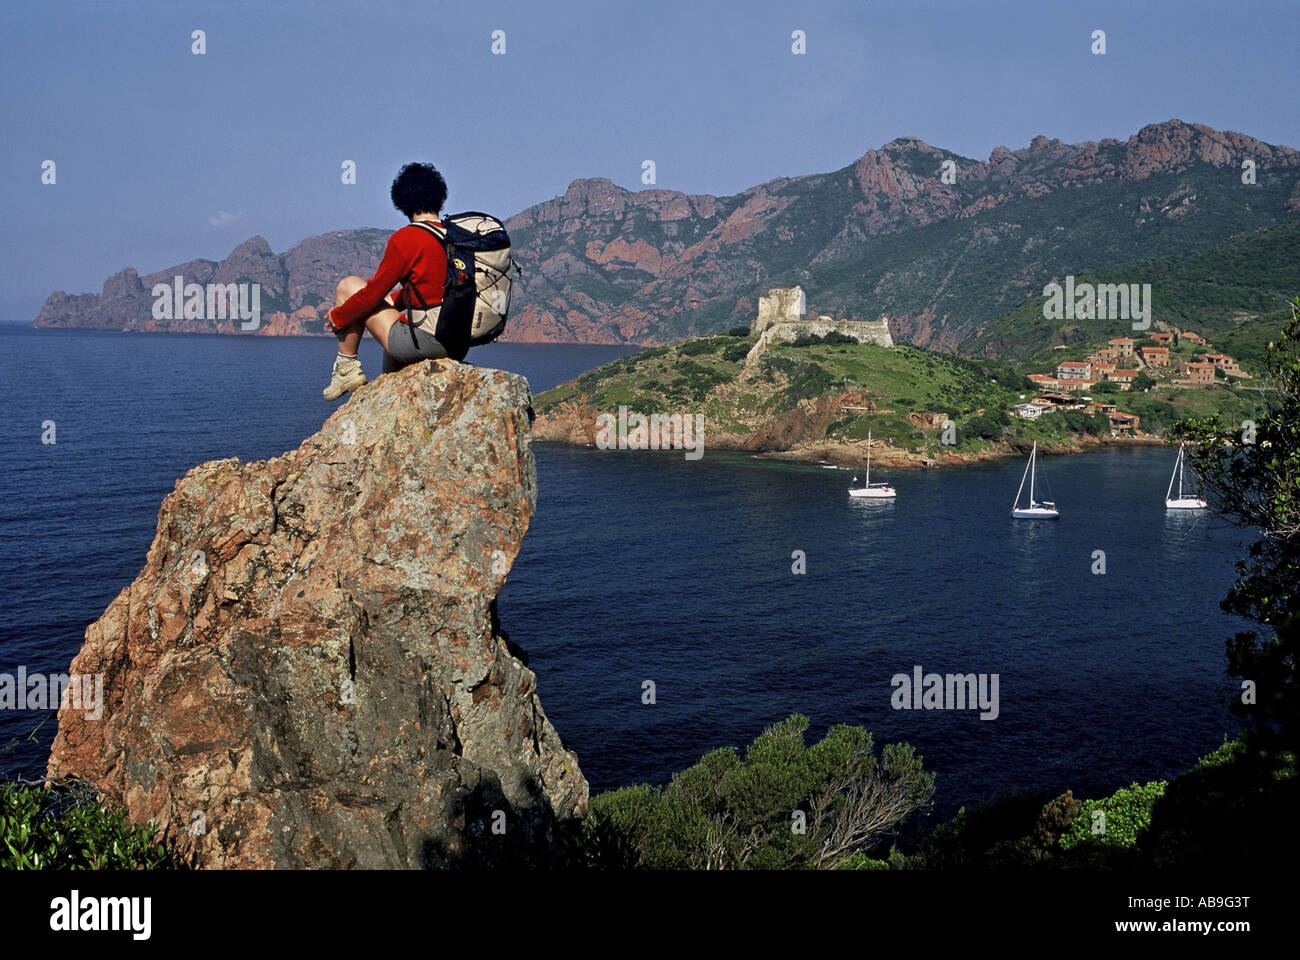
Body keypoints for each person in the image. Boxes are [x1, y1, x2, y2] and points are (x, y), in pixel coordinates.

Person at [322, 162, 454, 400]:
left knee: (349, 286)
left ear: (402, 200)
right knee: (398, 318)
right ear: (439, 197)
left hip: (428, 341)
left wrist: (339, 317)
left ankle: (346, 368)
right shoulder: (455, 237)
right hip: (457, 340)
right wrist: (392, 301)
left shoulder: (407, 238)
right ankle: (394, 393)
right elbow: (431, 290)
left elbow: (371, 294)